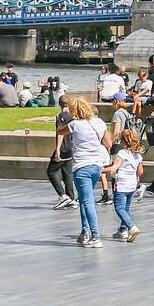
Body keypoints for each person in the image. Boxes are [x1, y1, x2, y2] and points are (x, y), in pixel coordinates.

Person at [57, 98, 112, 248]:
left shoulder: (75, 124)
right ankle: (85, 231)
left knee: (87, 201)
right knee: (83, 199)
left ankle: (96, 235)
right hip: (96, 165)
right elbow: (109, 143)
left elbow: (60, 131)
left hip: (82, 166)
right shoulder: (99, 122)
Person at [102, 127, 144, 241]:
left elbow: (114, 168)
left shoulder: (122, 153)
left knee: (119, 208)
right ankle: (123, 230)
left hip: (122, 184)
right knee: (126, 208)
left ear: (124, 141)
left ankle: (131, 227)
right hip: (132, 185)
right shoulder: (138, 155)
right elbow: (140, 172)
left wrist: (101, 169)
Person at [47, 96, 78, 211]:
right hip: (70, 148)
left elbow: (60, 133)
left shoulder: (61, 116)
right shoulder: (73, 117)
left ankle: (62, 195)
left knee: (51, 171)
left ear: (59, 104)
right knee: (67, 173)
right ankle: (71, 198)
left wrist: (57, 150)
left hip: (63, 148)